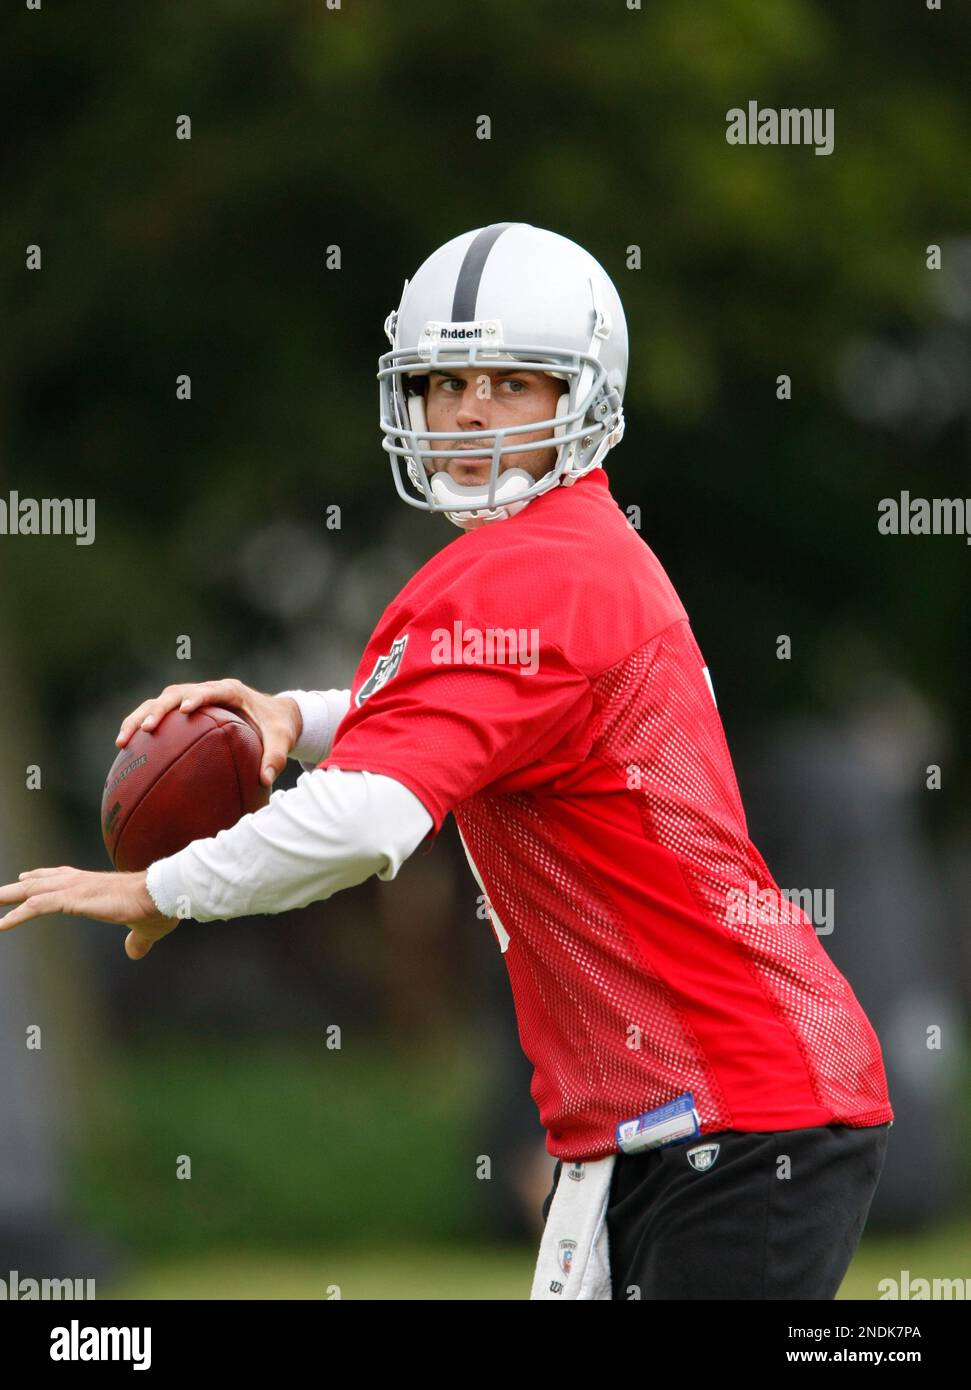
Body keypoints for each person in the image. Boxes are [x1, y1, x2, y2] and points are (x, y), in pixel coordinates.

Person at [0, 222, 893, 1300]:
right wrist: (296, 712)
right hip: (698, 1107)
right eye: (443, 380)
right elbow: (513, 721)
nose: (468, 410)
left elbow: (368, 820)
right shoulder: (569, 552)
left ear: (582, 396)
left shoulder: (521, 575)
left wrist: (163, 884)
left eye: (512, 382)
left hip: (726, 1109)